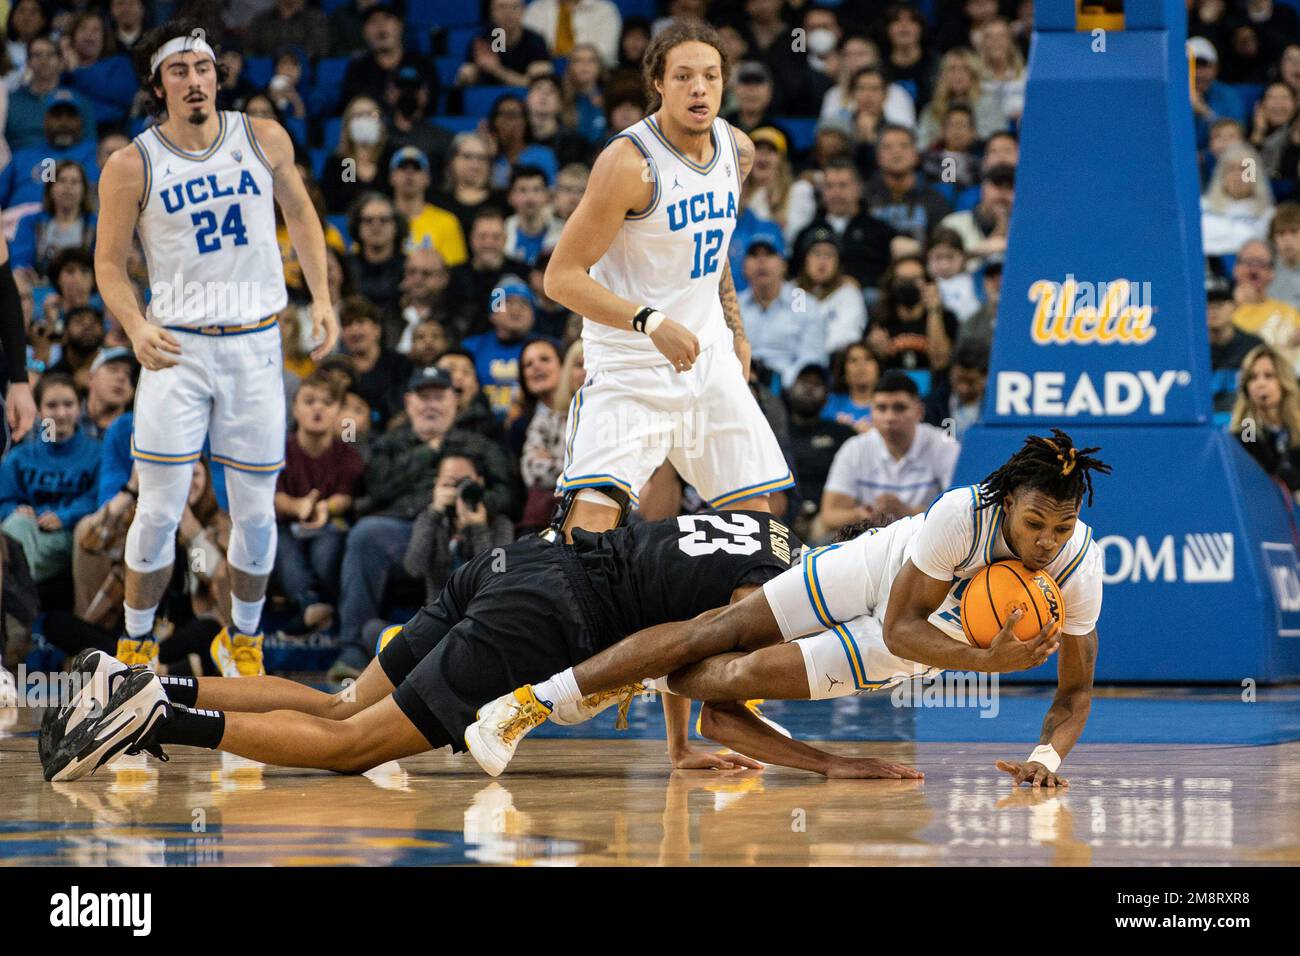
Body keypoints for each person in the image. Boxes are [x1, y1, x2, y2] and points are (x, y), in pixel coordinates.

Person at [478, 430, 1109, 784]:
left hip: (907, 646)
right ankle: (528, 703)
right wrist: (985, 659)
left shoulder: (1079, 564)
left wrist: (1042, 758)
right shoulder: (961, 512)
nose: (1045, 543)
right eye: (1034, 525)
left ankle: (654, 681)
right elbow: (901, 619)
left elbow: (1075, 694)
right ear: (1008, 506)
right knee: (718, 628)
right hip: (878, 572)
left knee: (741, 675)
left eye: (1061, 527)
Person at [42, 508, 798, 782]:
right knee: (356, 749)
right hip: (547, 614)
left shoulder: (771, 528)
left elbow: (674, 624)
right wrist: (834, 764)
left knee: (340, 707)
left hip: (520, 559)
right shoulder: (778, 594)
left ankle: (135, 684)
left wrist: (677, 748)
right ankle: (151, 717)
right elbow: (699, 669)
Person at [95, 21, 338, 675]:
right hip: (176, 348)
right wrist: (136, 327)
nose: (195, 80)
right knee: (160, 507)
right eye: (180, 71)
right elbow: (109, 267)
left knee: (257, 511)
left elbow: (303, 214)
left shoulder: (261, 136)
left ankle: (245, 642)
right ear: (158, 84)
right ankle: (137, 644)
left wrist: (321, 298)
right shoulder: (130, 163)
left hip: (256, 345)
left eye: (203, 68)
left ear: (216, 75)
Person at [546, 19, 793, 543]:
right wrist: (650, 321)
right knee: (587, 529)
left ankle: (743, 626)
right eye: (683, 76)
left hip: (706, 359)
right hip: (632, 366)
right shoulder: (628, 163)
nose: (699, 88)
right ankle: (559, 616)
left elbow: (711, 248)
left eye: (710, 75)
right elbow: (561, 278)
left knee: (758, 520)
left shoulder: (737, 150)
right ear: (658, 83)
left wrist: (737, 332)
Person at [330, 365, 522, 680]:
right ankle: (353, 649)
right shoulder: (390, 443)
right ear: (408, 402)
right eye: (423, 396)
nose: (431, 404)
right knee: (366, 535)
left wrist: (473, 504)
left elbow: (511, 495)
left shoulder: (480, 444)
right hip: (404, 530)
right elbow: (376, 490)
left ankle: (488, 649)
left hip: (468, 529)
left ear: (454, 401)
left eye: (439, 396)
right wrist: (431, 453)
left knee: (499, 543)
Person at [273, 372, 365, 636]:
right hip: (286, 527)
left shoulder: (349, 453)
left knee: (328, 544)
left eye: (326, 402)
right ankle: (312, 605)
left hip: (329, 525)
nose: (317, 408)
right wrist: (297, 506)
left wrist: (324, 508)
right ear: (295, 409)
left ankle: (322, 609)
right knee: (278, 541)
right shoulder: (278, 450)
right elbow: (272, 496)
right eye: (309, 401)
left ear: (337, 412)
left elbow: (346, 495)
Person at [819, 369, 959, 535]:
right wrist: (862, 514)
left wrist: (906, 511)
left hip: (926, 538)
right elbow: (829, 515)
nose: (889, 417)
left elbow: (959, 513)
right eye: (881, 408)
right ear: (871, 412)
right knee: (820, 532)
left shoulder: (944, 445)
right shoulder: (854, 448)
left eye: (899, 408)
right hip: (870, 539)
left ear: (919, 412)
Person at [0, 373, 99, 583]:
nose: (61, 413)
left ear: (79, 407)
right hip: (26, 532)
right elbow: (3, 500)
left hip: (73, 537)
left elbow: (98, 499)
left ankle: (13, 598)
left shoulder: (96, 453)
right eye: (52, 405)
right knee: (17, 525)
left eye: (68, 404)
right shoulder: (20, 456)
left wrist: (64, 516)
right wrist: (14, 510)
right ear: (38, 411)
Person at [738, 228, 828, 388]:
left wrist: (777, 381)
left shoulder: (802, 302)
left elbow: (812, 357)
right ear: (744, 266)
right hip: (741, 384)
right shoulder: (734, 306)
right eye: (754, 255)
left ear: (784, 264)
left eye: (769, 254)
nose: (761, 262)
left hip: (789, 389)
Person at [785, 362, 855, 529]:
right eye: (804, 382)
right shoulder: (773, 430)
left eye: (817, 384)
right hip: (781, 512)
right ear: (790, 390)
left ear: (827, 397)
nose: (809, 388)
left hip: (825, 518)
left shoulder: (842, 434)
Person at [1232, 343, 1300, 499]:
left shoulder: (1296, 429)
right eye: (1253, 378)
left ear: (1283, 382)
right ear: (1246, 387)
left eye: (1269, 376)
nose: (1260, 384)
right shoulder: (1246, 430)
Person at [868, 255, 957, 371]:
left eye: (915, 279)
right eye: (902, 280)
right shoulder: (879, 320)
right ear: (892, 283)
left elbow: (940, 362)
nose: (908, 285)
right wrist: (875, 353)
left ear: (927, 283)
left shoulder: (946, 318)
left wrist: (934, 311)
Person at [794, 225, 866, 355]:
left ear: (838, 263)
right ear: (805, 259)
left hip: (835, 361)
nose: (822, 261)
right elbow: (791, 330)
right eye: (816, 253)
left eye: (829, 255)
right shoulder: (795, 293)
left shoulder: (848, 293)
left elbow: (848, 335)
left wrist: (814, 352)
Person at [1208, 276, 1264, 413]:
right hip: (1207, 423)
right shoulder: (1191, 351)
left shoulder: (1253, 346)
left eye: (1219, 305)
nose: (1213, 311)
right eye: (1207, 306)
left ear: (1233, 307)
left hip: (1245, 422)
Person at [924, 338, 988, 442]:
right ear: (950, 372)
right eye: (959, 380)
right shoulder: (932, 405)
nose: (964, 389)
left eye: (970, 382)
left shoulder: (998, 407)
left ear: (985, 377)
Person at [822, 340, 879, 430]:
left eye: (868, 359)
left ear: (878, 368)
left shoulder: (889, 405)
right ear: (844, 371)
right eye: (853, 360)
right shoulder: (828, 403)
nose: (861, 365)